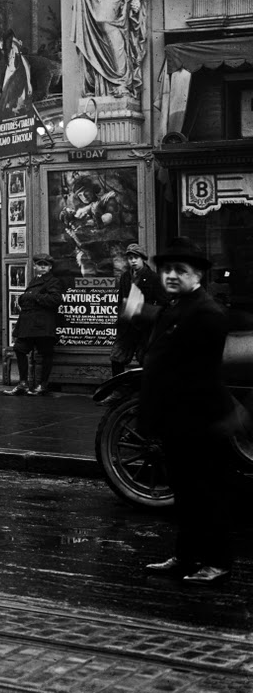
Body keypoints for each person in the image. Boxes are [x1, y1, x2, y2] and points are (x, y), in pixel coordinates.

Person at [133, 238, 240, 583]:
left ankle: (217, 563)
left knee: (207, 494)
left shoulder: (206, 312)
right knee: (186, 494)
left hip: (200, 421)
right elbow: (167, 325)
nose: (171, 276)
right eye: (166, 270)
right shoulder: (178, 306)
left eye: (181, 270)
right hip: (178, 421)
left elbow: (202, 372)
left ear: (198, 276)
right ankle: (186, 556)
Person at [11, 254, 63, 395]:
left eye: (45, 265)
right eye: (39, 265)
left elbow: (55, 300)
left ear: (50, 267)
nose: (42, 267)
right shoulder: (34, 280)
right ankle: (23, 383)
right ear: (35, 267)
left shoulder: (53, 281)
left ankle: (42, 385)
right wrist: (25, 298)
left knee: (46, 353)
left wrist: (34, 297)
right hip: (29, 324)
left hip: (42, 324)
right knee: (20, 349)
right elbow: (26, 299)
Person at [112, 241, 163, 376]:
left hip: (145, 328)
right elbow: (120, 300)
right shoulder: (125, 277)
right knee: (116, 358)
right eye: (130, 258)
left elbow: (163, 304)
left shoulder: (153, 278)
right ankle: (119, 390)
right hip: (127, 326)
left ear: (143, 259)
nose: (133, 261)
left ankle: (143, 391)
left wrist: (150, 314)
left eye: (136, 258)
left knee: (145, 361)